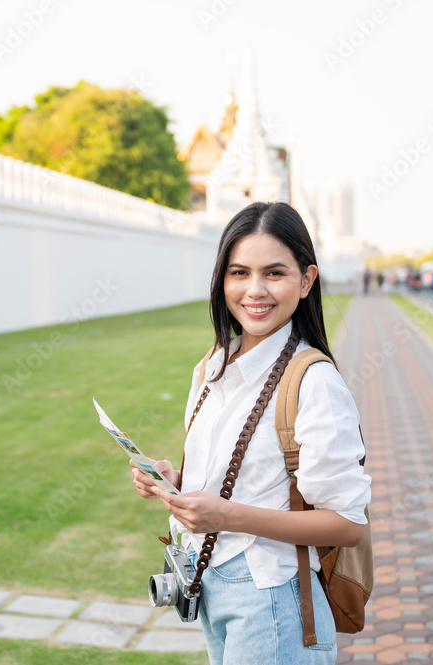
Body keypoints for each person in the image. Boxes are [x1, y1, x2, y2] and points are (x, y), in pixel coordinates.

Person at [131, 201, 371, 664]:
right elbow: (240, 478)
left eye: (274, 273)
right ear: (222, 280)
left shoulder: (313, 382)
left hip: (272, 600)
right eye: (239, 273)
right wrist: (174, 481)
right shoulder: (213, 366)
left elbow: (347, 524)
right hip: (212, 586)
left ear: (306, 281)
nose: (254, 290)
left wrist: (224, 516)